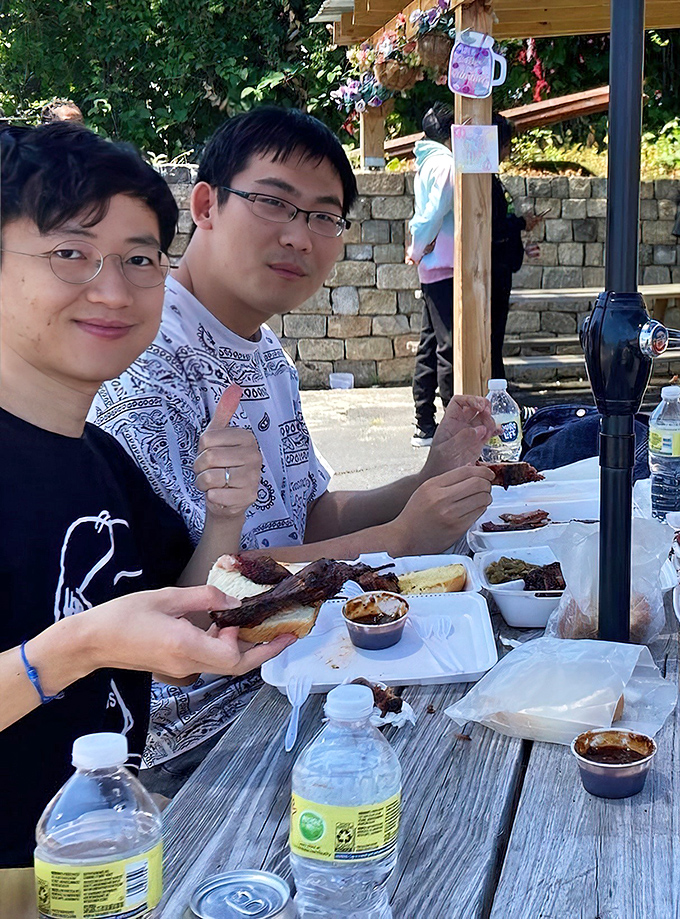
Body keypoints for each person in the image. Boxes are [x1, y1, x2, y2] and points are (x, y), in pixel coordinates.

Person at [91, 105, 496, 776]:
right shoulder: (144, 363)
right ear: (206, 205)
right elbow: (208, 592)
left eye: (324, 217)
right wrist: (397, 540)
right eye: (275, 203)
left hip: (301, 662)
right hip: (205, 729)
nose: (301, 237)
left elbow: (310, 513)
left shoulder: (264, 350)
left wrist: (428, 475)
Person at [0, 122, 293, 868]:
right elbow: (104, 639)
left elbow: (173, 647)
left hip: (103, 863)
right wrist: (83, 644)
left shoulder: (102, 461)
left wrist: (227, 512)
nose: (113, 289)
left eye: (139, 259)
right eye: (70, 253)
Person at [406, 102, 456, 447]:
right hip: (443, 259)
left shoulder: (425, 162)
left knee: (429, 342)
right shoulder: (446, 163)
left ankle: (424, 421)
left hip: (432, 262)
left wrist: (417, 247)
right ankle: (451, 424)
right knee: (449, 344)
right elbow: (434, 212)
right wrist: (418, 245)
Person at [490, 113, 542, 378]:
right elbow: (491, 226)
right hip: (493, 269)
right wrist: (520, 223)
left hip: (501, 266)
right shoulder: (484, 181)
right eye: (506, 144)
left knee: (495, 337)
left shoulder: (491, 179)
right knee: (492, 338)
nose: (508, 151)